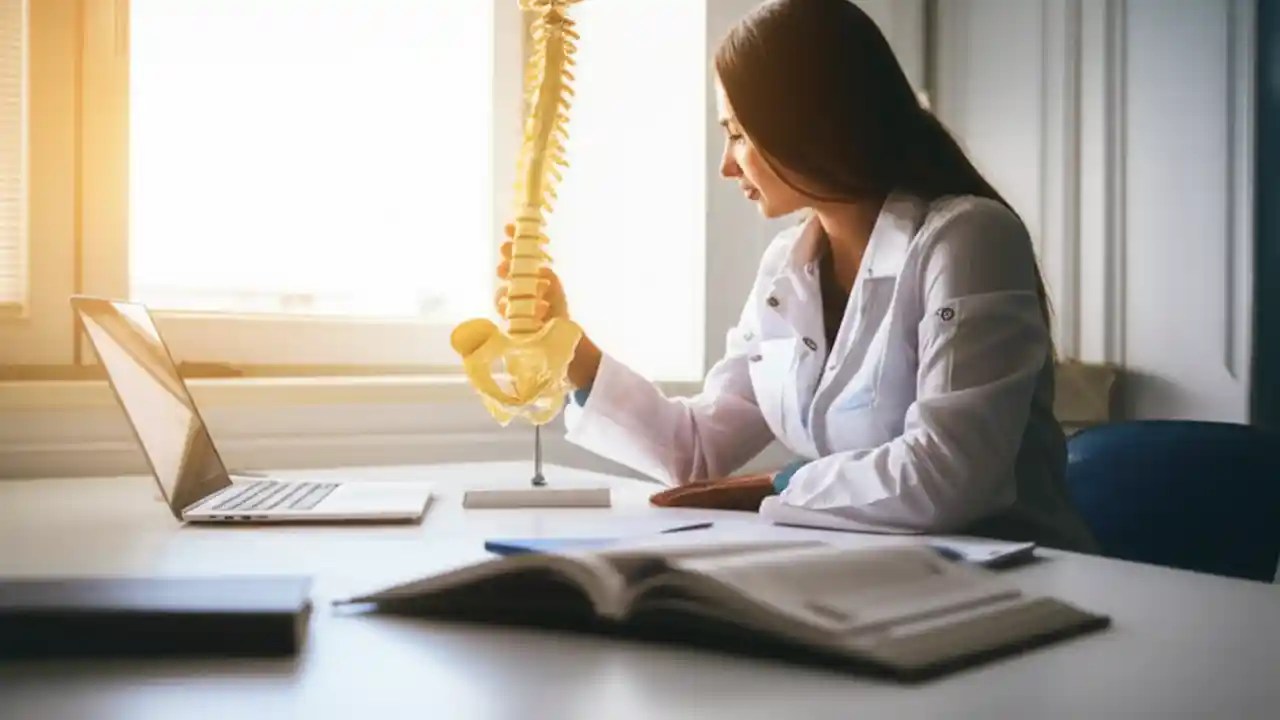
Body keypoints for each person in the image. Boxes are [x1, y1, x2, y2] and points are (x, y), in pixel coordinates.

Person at [495, 0, 1096, 551]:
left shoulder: (968, 238)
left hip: (1022, 577)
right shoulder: (788, 268)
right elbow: (696, 452)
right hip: (876, 573)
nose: (727, 166)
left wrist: (783, 483)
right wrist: (571, 351)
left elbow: (950, 475)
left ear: (806, 120)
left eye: (737, 134)